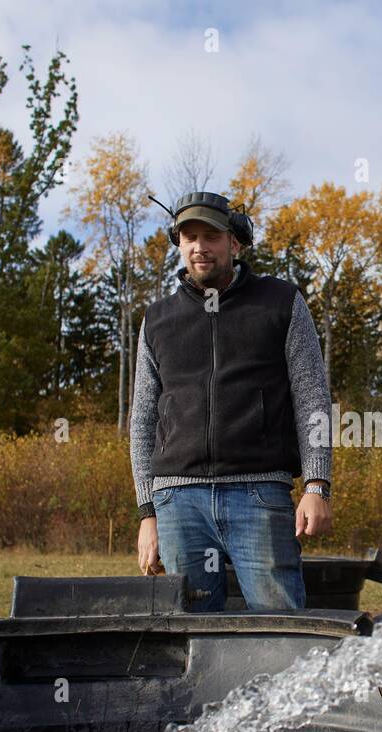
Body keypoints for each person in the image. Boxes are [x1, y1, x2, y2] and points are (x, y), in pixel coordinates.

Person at [131, 191, 333, 611]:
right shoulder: (157, 320)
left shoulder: (280, 303)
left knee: (279, 629)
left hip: (259, 494)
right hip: (177, 503)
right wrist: (147, 511)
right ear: (180, 245)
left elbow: (312, 397)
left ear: (234, 244)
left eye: (211, 236)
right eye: (190, 237)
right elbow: (143, 420)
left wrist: (316, 484)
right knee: (191, 636)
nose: (200, 247)